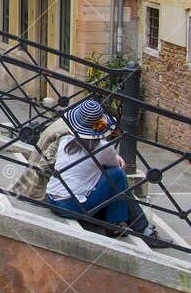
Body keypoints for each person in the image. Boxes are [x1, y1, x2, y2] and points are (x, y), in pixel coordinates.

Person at [45, 98, 175, 251]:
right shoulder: (102, 147)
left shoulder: (66, 140)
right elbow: (114, 167)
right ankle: (135, 228)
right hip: (70, 205)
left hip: (51, 198)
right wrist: (113, 152)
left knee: (111, 177)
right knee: (117, 175)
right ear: (98, 125)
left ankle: (119, 224)